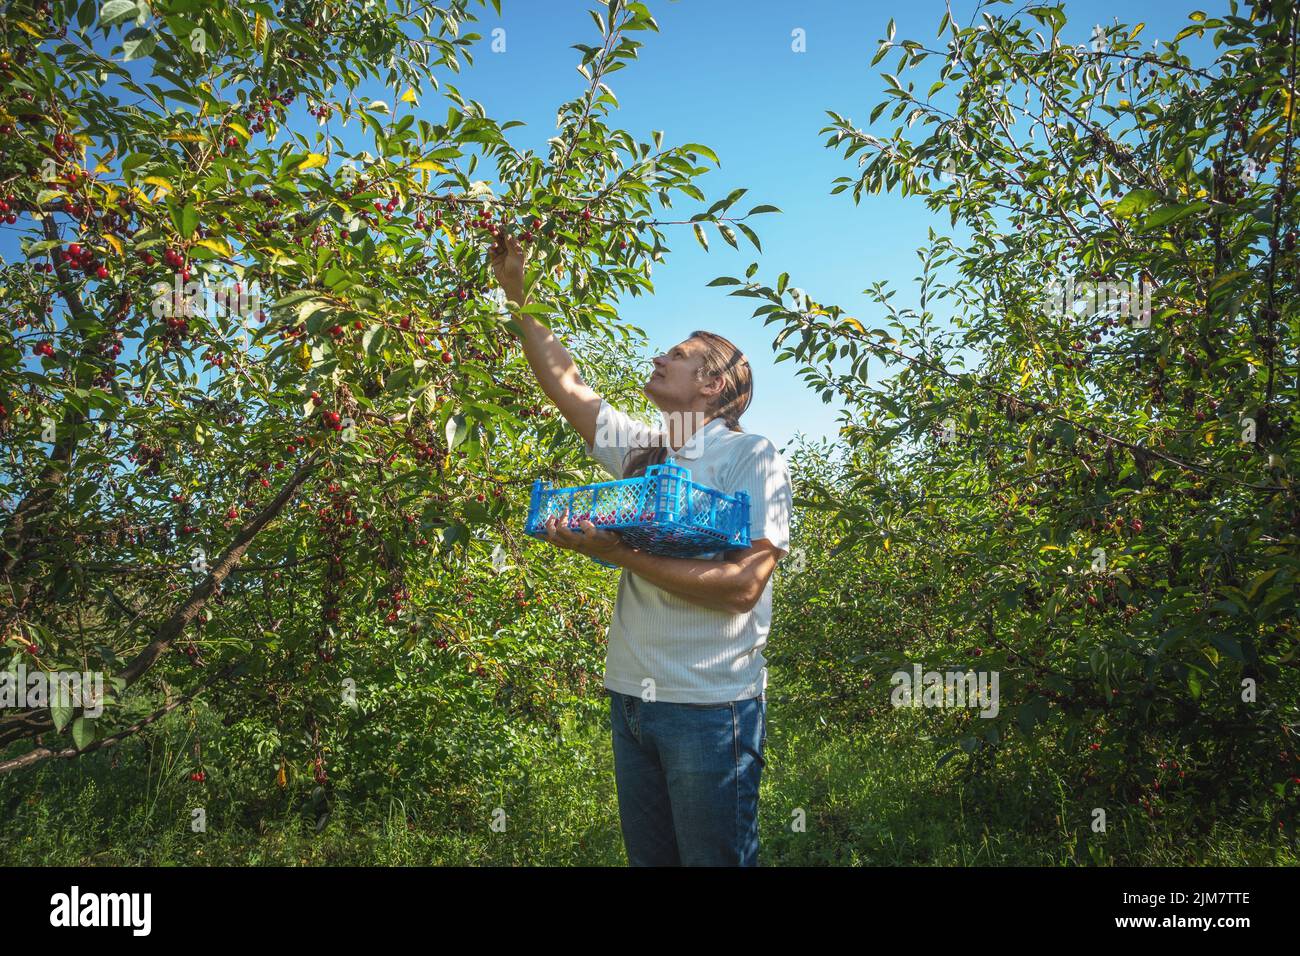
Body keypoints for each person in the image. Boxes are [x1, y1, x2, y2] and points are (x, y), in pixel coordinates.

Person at [490, 230, 793, 867]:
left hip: (710, 708)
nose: (661, 356)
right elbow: (567, 385)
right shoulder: (645, 452)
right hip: (632, 698)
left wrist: (616, 553)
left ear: (713, 385)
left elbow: (743, 586)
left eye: (678, 354)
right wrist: (519, 296)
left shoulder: (750, 456)